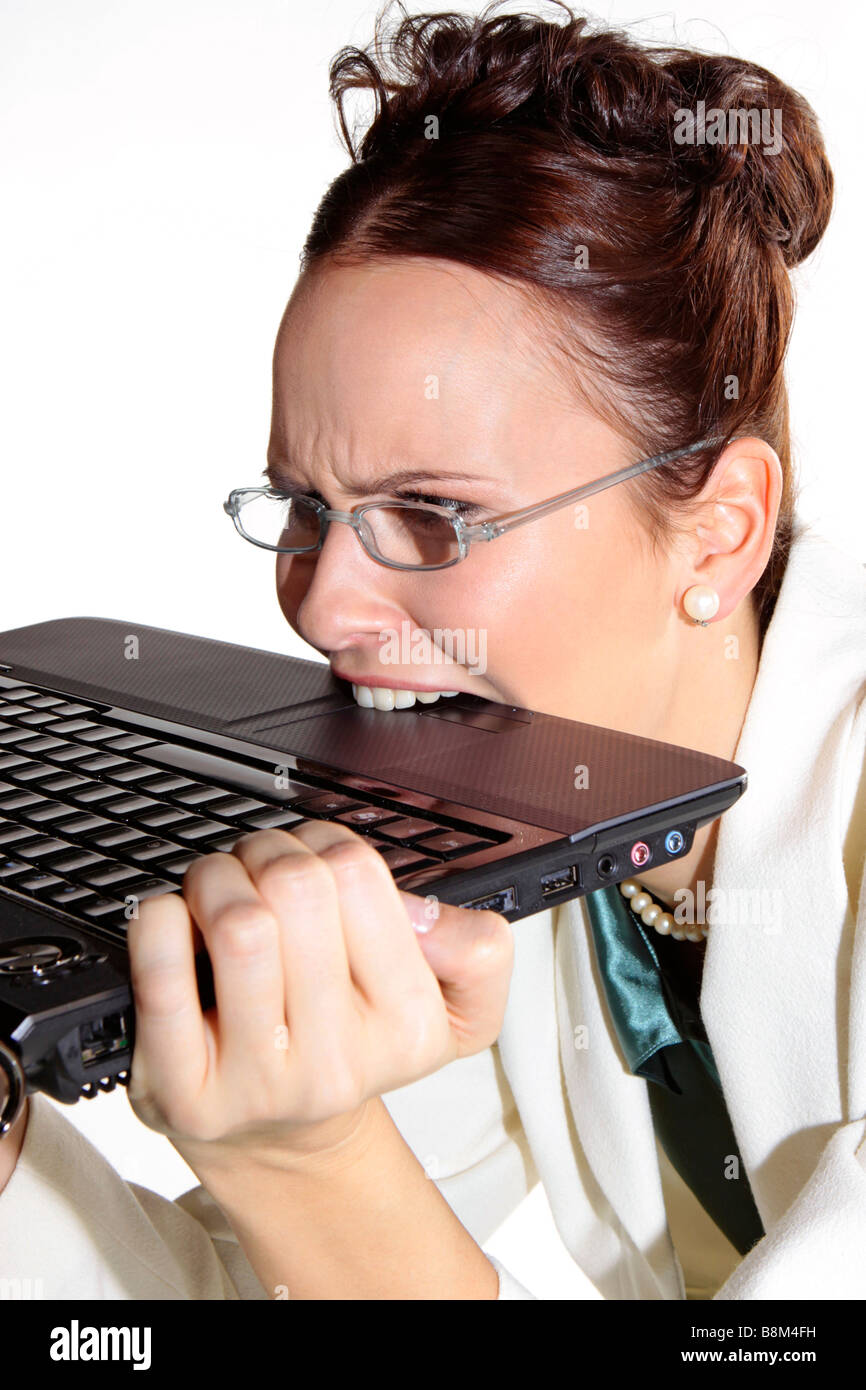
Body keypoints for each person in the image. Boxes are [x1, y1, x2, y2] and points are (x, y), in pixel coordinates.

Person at [1, 0, 864, 1300]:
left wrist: (309, 1159)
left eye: (435, 515)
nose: (324, 605)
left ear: (715, 537)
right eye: (304, 508)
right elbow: (253, 1288)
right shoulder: (516, 824)